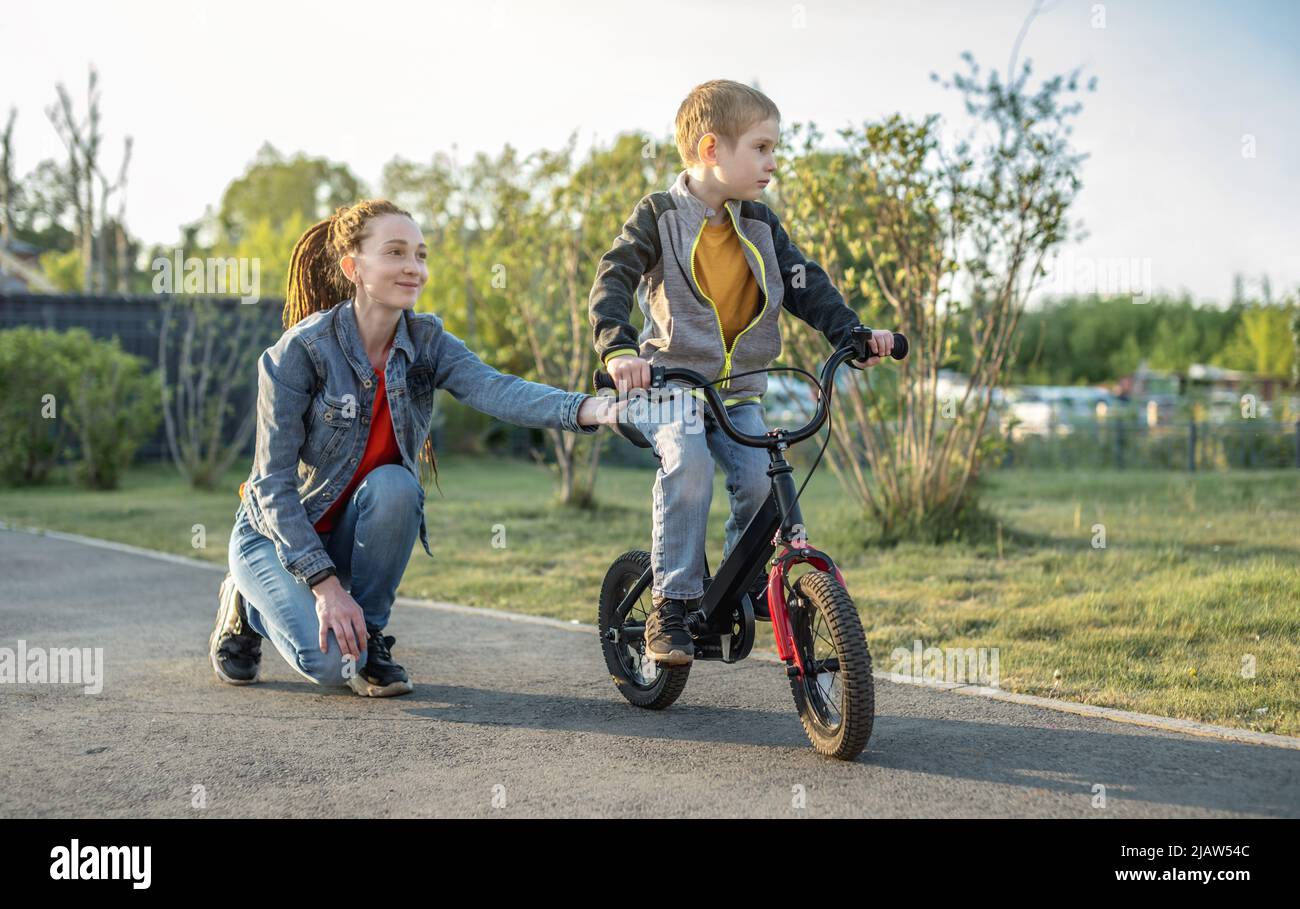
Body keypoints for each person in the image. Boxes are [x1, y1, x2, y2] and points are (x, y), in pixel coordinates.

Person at [213, 199, 618, 696]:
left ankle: (370, 637)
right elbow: (271, 485)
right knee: (325, 664)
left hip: (347, 529)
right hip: (275, 537)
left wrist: (592, 409)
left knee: (397, 487)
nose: (414, 267)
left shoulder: (427, 341)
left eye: (421, 255)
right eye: (396, 252)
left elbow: (496, 388)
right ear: (353, 268)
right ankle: (247, 607)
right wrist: (325, 587)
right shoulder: (300, 353)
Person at [588, 79, 895, 665]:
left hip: (737, 392)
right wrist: (617, 349)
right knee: (688, 458)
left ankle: (739, 578)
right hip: (667, 385)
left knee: (760, 477)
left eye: (773, 149)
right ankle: (672, 605)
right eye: (761, 148)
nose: (772, 163)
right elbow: (615, 278)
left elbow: (806, 283)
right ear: (711, 149)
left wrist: (850, 333)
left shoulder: (758, 222)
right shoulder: (659, 215)